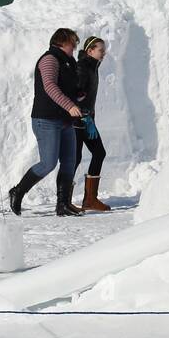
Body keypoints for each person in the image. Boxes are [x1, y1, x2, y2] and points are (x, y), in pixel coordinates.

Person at [8, 28, 85, 217]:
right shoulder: (49, 59)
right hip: (47, 119)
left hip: (65, 119)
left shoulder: (69, 61)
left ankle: (63, 205)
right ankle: (18, 191)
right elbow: (50, 86)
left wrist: (78, 94)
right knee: (48, 163)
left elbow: (66, 86)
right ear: (62, 41)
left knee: (69, 161)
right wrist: (69, 105)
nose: (75, 46)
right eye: (73, 42)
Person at [73, 35, 111, 212]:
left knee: (98, 153)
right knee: (74, 158)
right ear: (90, 51)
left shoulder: (92, 66)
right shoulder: (82, 67)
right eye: (100, 50)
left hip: (88, 119)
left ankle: (90, 199)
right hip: (78, 120)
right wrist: (84, 116)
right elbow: (76, 94)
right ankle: (64, 199)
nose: (104, 53)